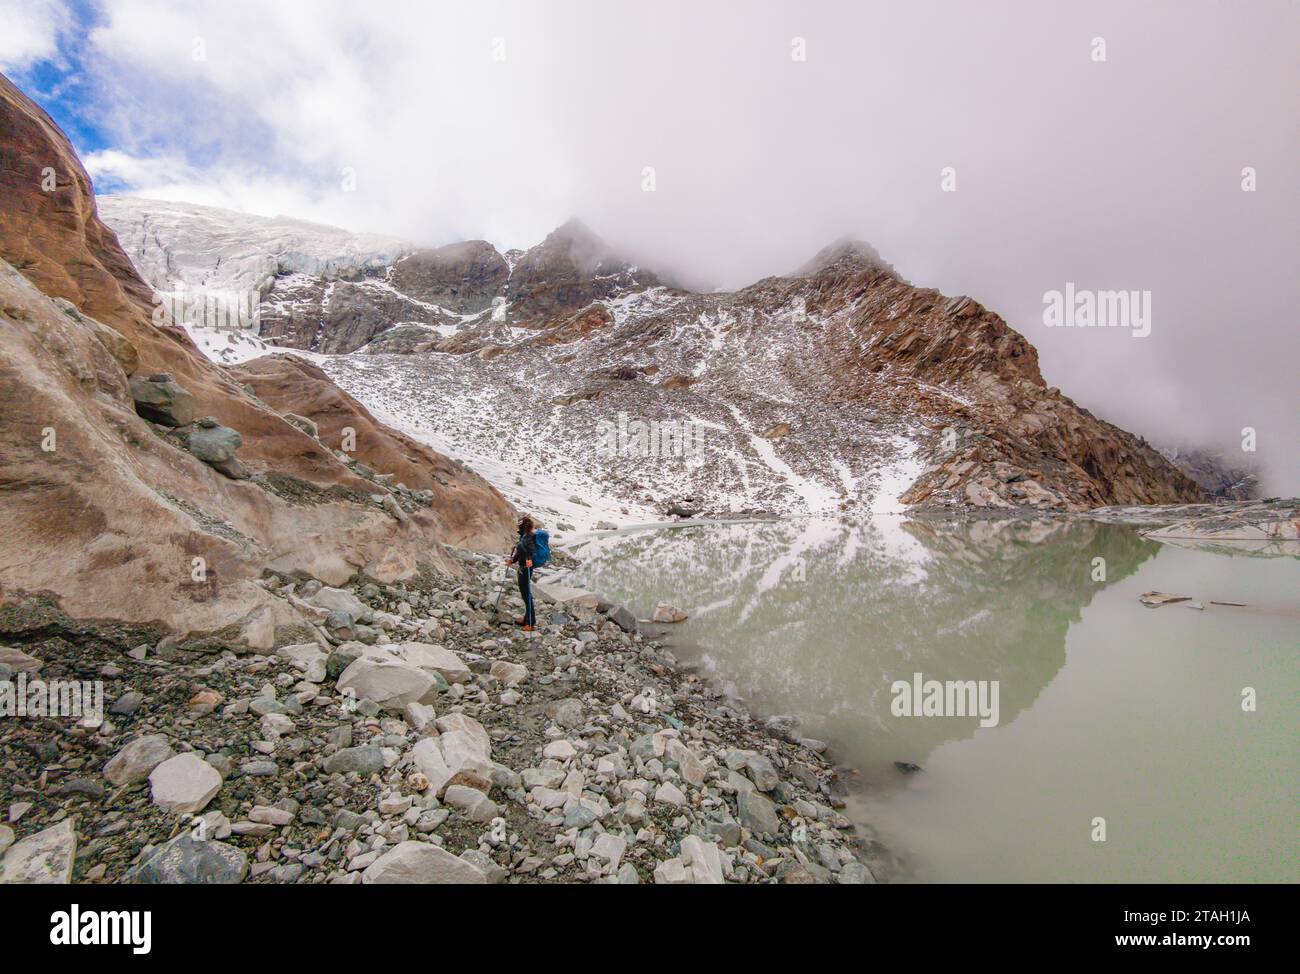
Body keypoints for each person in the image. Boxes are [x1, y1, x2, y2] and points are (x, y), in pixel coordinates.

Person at [506, 515, 537, 631]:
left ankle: (530, 622)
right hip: (523, 567)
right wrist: (512, 561)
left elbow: (530, 550)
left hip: (526, 568)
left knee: (526, 594)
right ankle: (526, 620)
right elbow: (521, 551)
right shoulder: (525, 536)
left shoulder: (528, 536)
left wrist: (529, 560)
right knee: (525, 594)